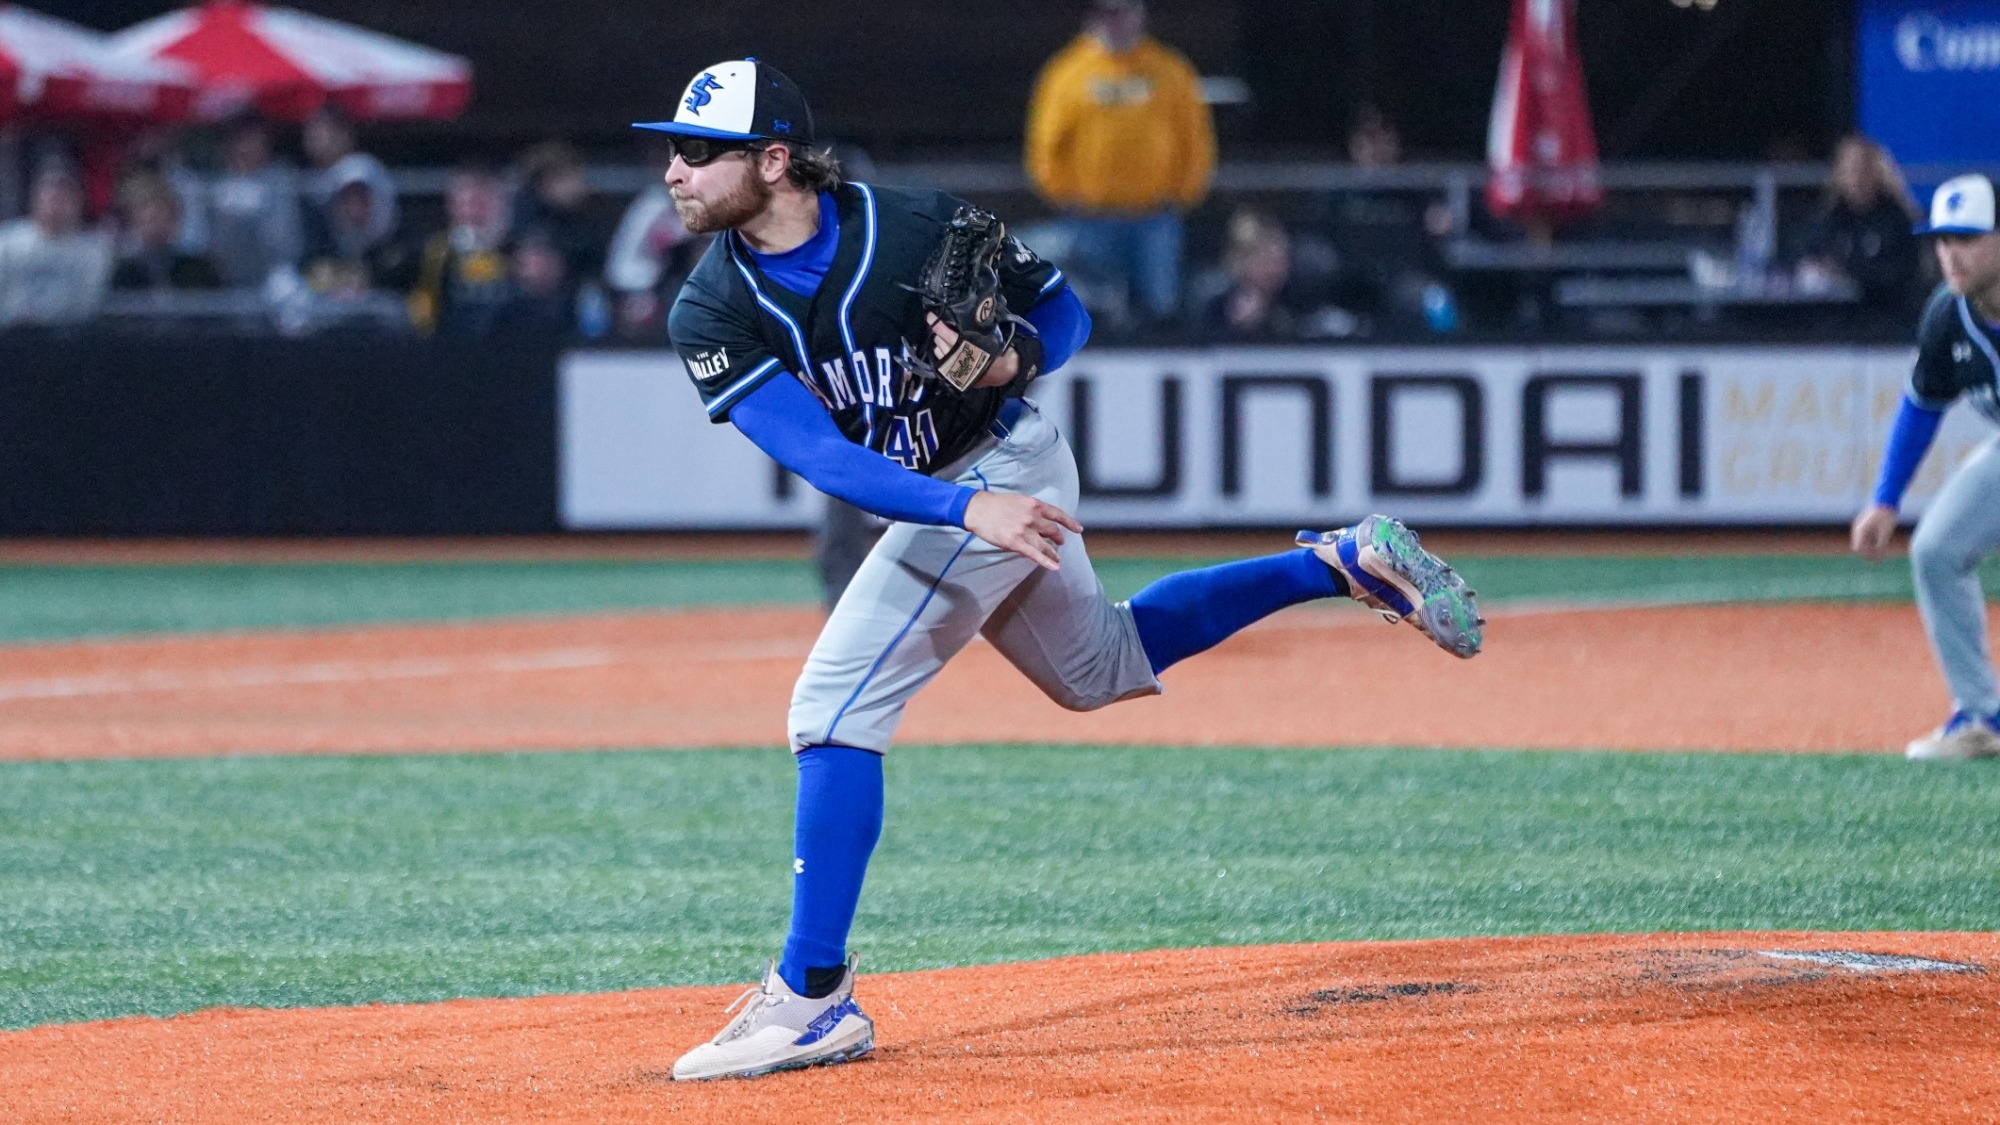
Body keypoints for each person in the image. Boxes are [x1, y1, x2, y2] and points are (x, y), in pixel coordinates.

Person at [639, 58, 1484, 1082]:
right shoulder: (709, 307)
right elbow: (820, 455)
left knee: (830, 712)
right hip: (959, 495)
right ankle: (1339, 564)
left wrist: (1013, 361)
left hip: (1002, 463)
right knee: (1100, 667)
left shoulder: (912, 225)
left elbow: (1065, 312)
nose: (673, 171)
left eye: (698, 151)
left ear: (774, 161)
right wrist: (965, 507)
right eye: (672, 150)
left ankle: (810, 994)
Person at [1854, 174, 2000, 761]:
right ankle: (1980, 718)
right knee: (1936, 549)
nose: (1951, 253)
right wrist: (1885, 499)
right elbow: (1921, 407)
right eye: (1943, 239)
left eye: (1968, 237)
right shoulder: (1947, 316)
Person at [1024, 0, 1214, 330]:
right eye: (1108, 13)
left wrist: (1183, 193)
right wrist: (1063, 193)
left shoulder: (1170, 70)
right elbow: (1044, 145)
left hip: (1155, 217)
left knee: (1160, 310)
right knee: (1094, 308)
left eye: (1124, 12)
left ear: (1140, 14)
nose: (1117, 21)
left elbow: (1196, 139)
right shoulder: (1067, 72)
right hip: (1091, 218)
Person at [1794, 134, 1921, 316]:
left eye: (1863, 169)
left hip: (1885, 318)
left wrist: (1848, 273)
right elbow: (1806, 253)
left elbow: (1900, 273)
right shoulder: (1829, 217)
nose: (1856, 178)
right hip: (1833, 319)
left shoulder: (1895, 220)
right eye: (1849, 170)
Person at [0, 161, 112, 326]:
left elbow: (87, 306)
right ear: (35, 200)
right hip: (10, 333)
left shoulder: (93, 251)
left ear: (78, 203)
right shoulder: (7, 242)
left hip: (70, 336)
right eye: (51, 198)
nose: (56, 206)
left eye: (63, 199)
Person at [408, 163, 514, 336]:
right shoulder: (437, 252)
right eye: (466, 203)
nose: (472, 212)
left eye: (480, 203)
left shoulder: (519, 250)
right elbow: (423, 314)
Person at [202, 114, 304, 289]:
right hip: (227, 278)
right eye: (241, 139)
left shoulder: (282, 178)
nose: (249, 145)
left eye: (255, 138)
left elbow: (287, 240)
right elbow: (211, 241)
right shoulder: (218, 184)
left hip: (276, 276)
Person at [299, 155, 414, 299]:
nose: (354, 207)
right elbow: (311, 272)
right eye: (347, 199)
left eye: (361, 198)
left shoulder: (404, 245)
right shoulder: (325, 243)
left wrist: (369, 281)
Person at [110, 172, 222, 292]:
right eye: (150, 220)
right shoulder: (126, 272)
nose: (157, 226)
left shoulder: (198, 268)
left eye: (164, 219)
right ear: (135, 222)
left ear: (176, 221)